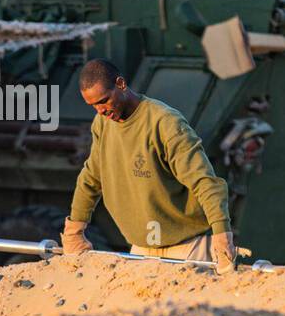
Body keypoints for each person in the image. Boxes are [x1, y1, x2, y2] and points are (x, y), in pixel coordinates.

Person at [63, 59, 236, 269]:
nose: (100, 110)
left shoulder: (165, 123)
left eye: (104, 100)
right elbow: (91, 177)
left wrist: (222, 235)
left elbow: (204, 181)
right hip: (140, 249)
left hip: (189, 247)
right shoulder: (102, 123)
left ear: (121, 84)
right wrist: (74, 230)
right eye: (93, 106)